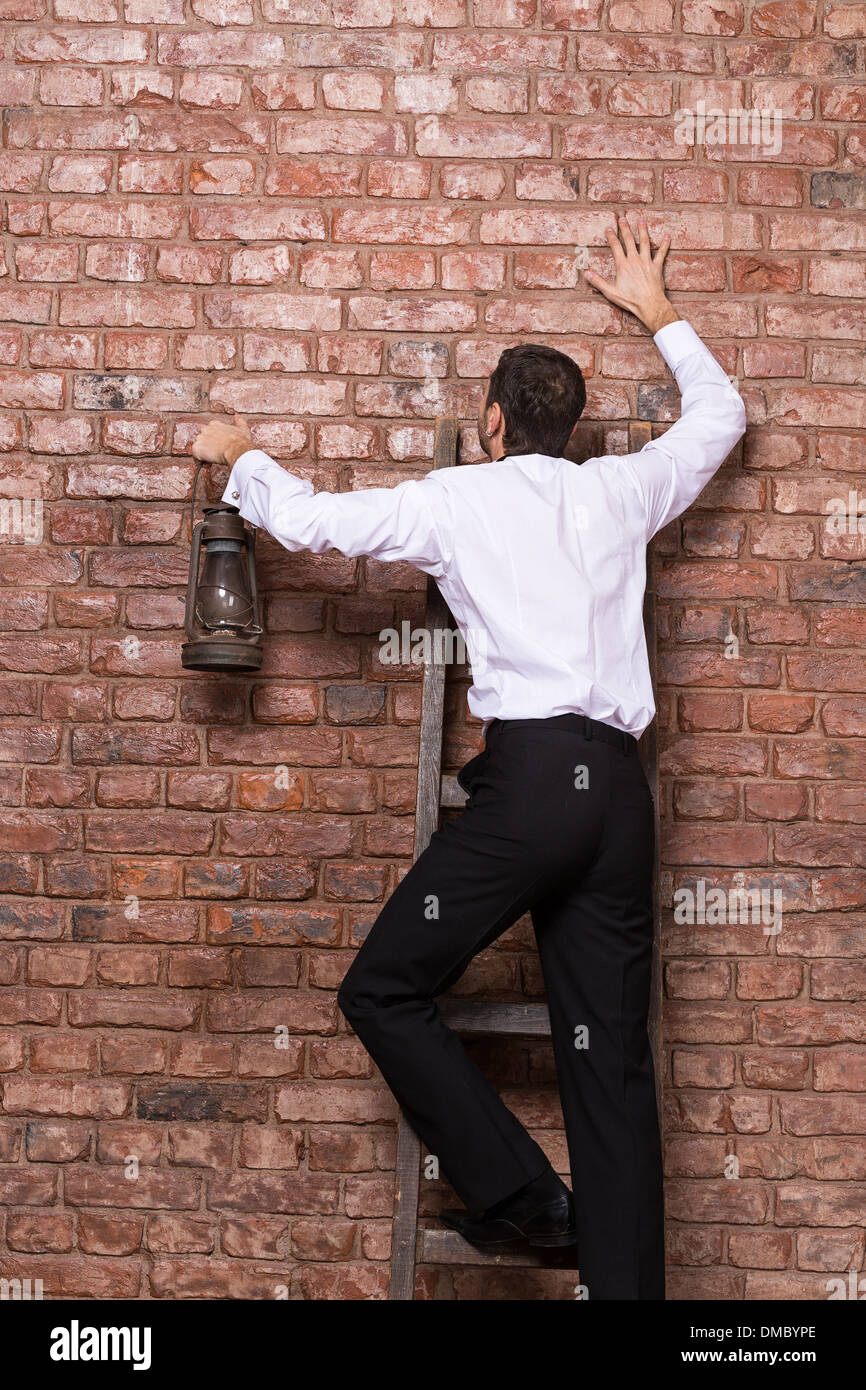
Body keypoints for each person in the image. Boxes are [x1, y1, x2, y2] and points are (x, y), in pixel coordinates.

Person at [192, 214, 747, 1300]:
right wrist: (657, 312)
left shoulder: (456, 499)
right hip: (617, 798)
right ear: (571, 425)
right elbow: (721, 416)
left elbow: (309, 523)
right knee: (612, 1061)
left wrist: (237, 451)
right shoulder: (619, 489)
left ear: (492, 421)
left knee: (382, 990)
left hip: (534, 790)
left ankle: (525, 1199)